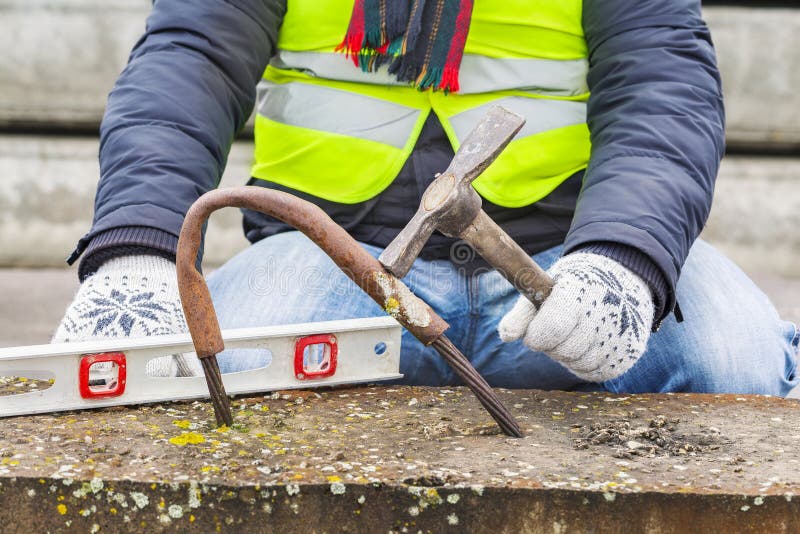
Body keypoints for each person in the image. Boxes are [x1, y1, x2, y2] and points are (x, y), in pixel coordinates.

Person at [55, 0, 798, 394]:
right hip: (333, 269)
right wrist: (137, 250)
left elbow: (663, 83)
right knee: (194, 374)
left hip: (562, 268)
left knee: (735, 359)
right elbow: (190, 60)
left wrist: (624, 262)